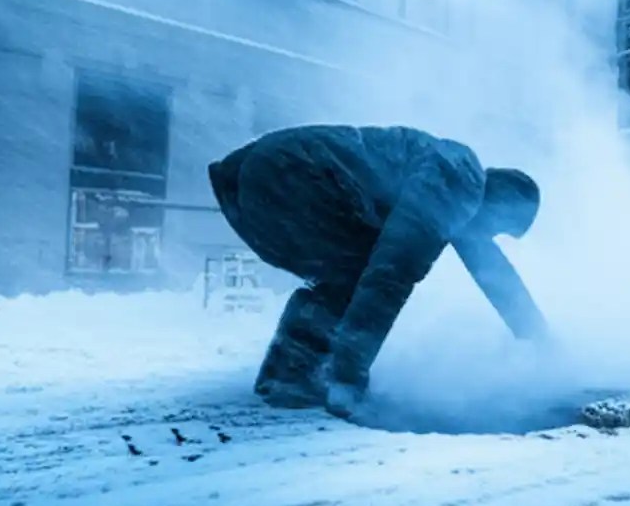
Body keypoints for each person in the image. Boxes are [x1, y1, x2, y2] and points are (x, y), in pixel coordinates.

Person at [208, 124, 548, 417]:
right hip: (291, 176)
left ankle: (288, 378)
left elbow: (495, 275)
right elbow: (392, 275)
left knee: (346, 275)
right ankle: (313, 377)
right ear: (499, 203)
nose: (489, 237)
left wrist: (538, 335)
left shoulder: (456, 194)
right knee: (367, 273)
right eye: (500, 227)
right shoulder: (456, 175)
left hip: (255, 183)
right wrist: (349, 375)